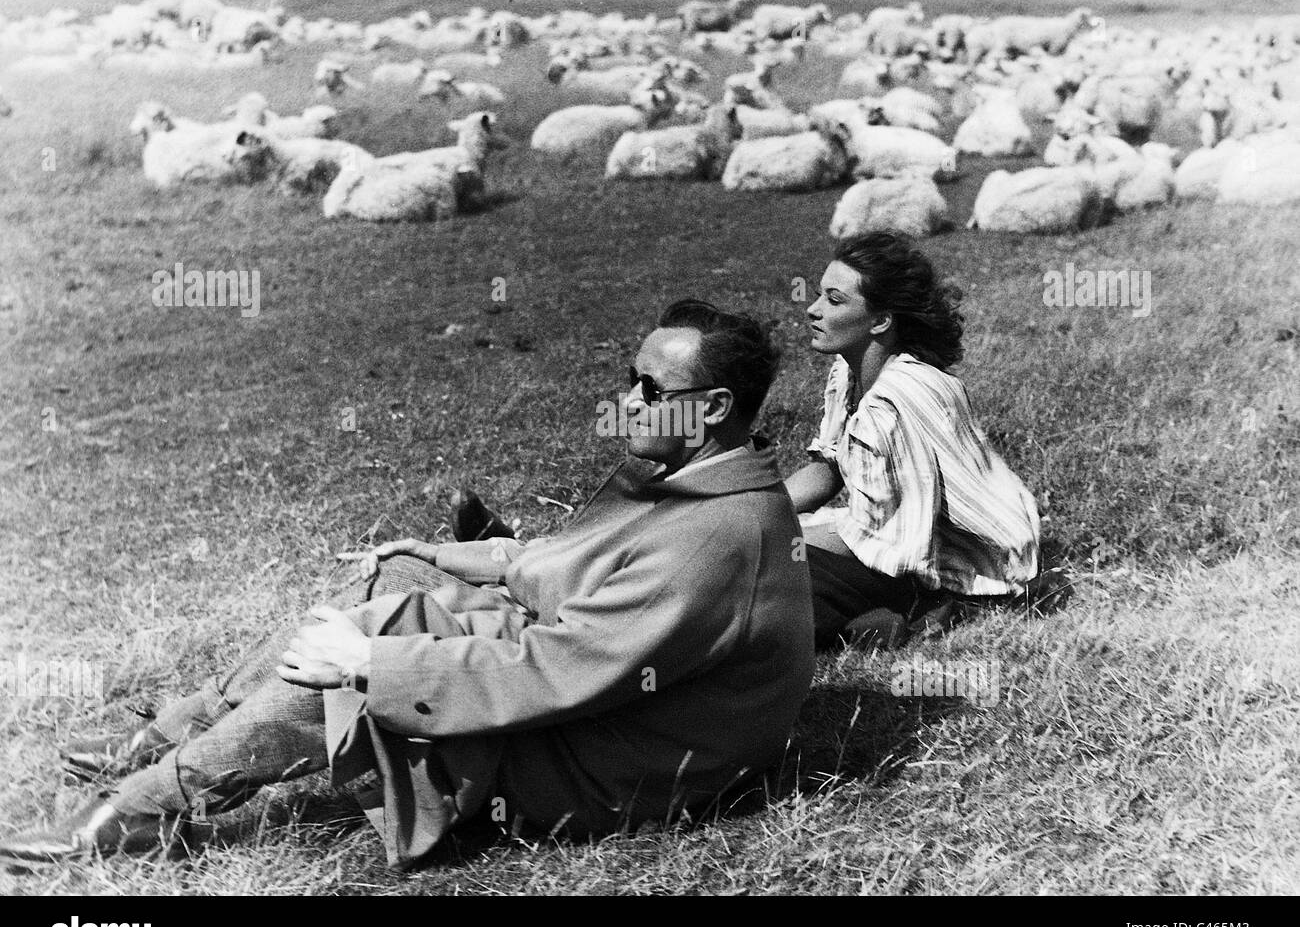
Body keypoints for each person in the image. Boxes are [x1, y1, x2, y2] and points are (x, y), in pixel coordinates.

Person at [1, 300, 815, 870]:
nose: (628, 401)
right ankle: (179, 731)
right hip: (611, 697)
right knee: (401, 574)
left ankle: (148, 808)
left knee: (361, 657)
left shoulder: (717, 537)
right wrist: (450, 555)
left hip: (617, 760)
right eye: (630, 377)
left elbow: (558, 668)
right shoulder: (701, 482)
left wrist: (368, 668)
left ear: (711, 408)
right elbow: (575, 574)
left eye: (651, 390)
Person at [784, 232, 1041, 650]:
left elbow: (883, 539)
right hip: (891, 540)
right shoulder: (848, 373)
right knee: (753, 554)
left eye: (834, 300)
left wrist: (771, 536)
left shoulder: (896, 399)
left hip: (947, 556)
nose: (812, 310)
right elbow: (828, 468)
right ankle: (865, 620)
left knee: (763, 578)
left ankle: (900, 611)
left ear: (881, 320)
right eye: (818, 296)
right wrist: (755, 510)